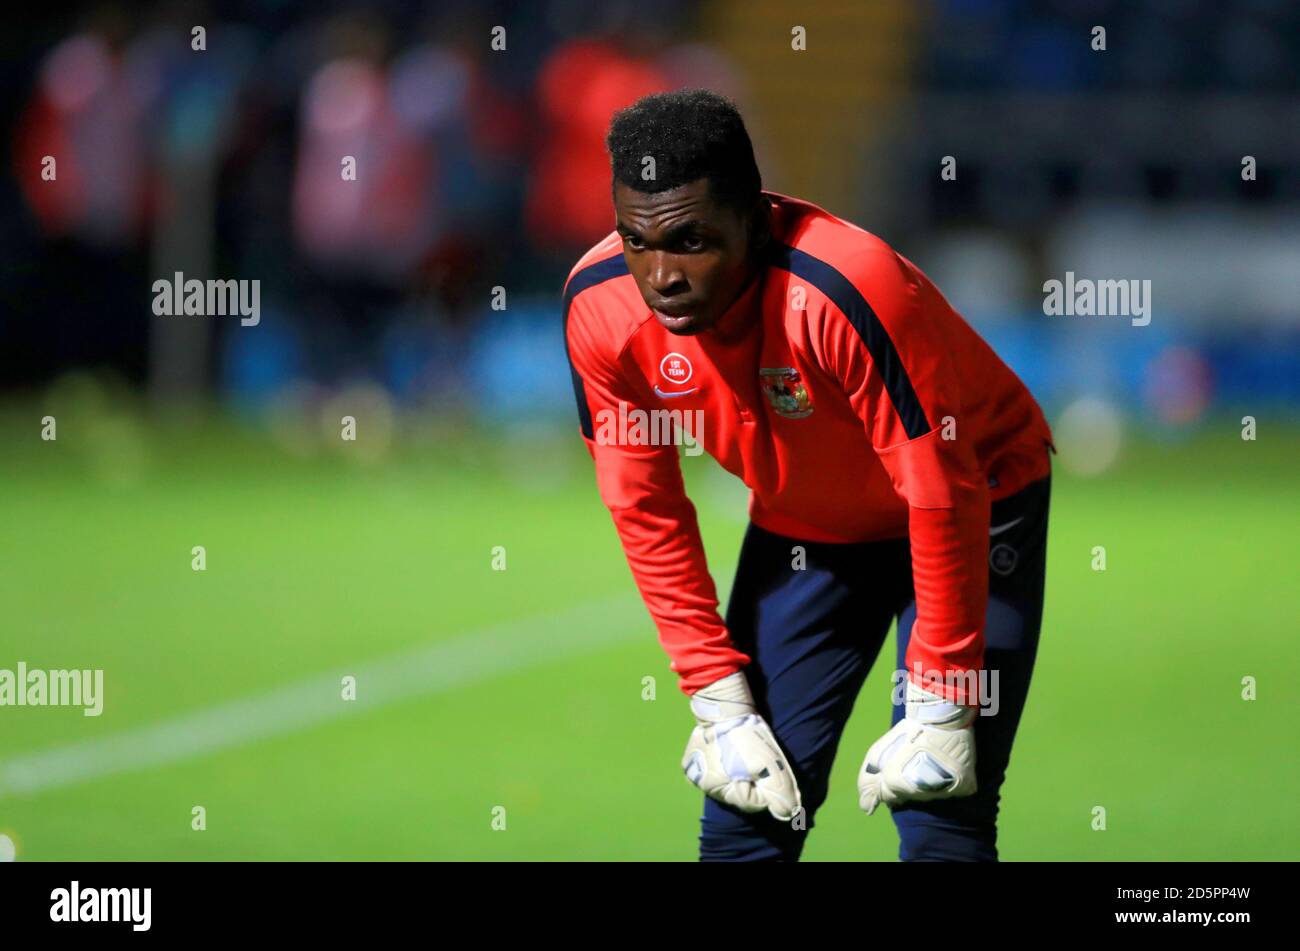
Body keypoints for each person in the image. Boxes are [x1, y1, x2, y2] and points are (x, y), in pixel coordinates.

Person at [562, 89, 1054, 861]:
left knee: (939, 808)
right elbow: (642, 503)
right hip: (810, 529)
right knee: (745, 813)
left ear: (756, 222)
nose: (662, 275)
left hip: (980, 500)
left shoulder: (847, 289)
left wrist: (944, 700)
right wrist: (715, 698)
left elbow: (939, 487)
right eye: (637, 240)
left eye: (691, 241)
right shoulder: (598, 308)